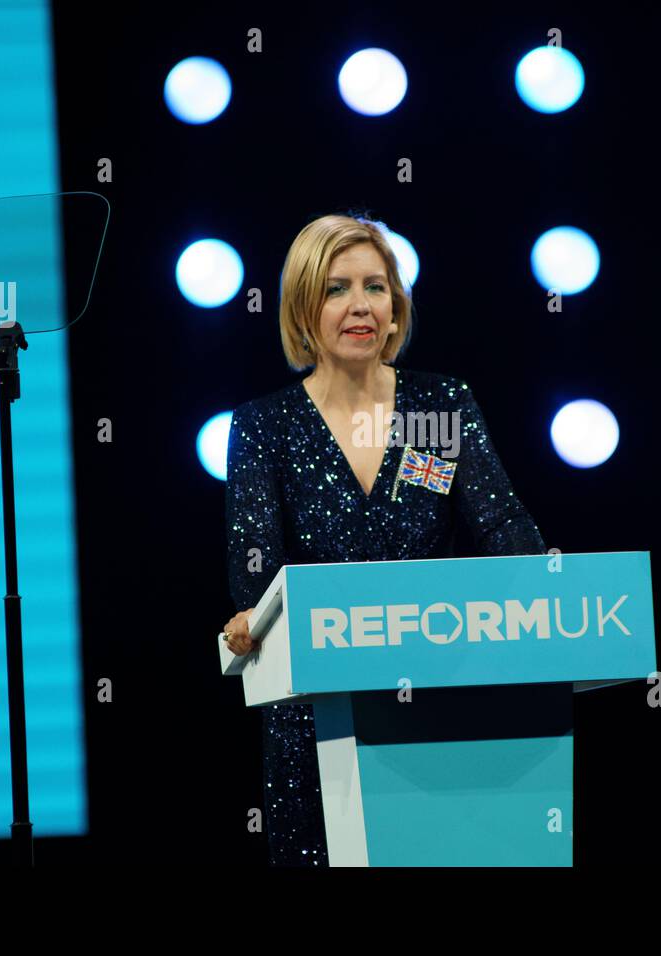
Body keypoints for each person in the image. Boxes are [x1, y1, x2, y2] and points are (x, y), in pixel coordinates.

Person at [221, 213, 545, 866]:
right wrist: (250, 615)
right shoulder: (265, 426)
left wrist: (550, 592)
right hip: (317, 719)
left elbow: (504, 529)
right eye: (337, 288)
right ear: (304, 307)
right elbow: (256, 568)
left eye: (376, 286)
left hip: (439, 694)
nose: (360, 305)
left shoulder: (438, 407)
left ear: (396, 307)